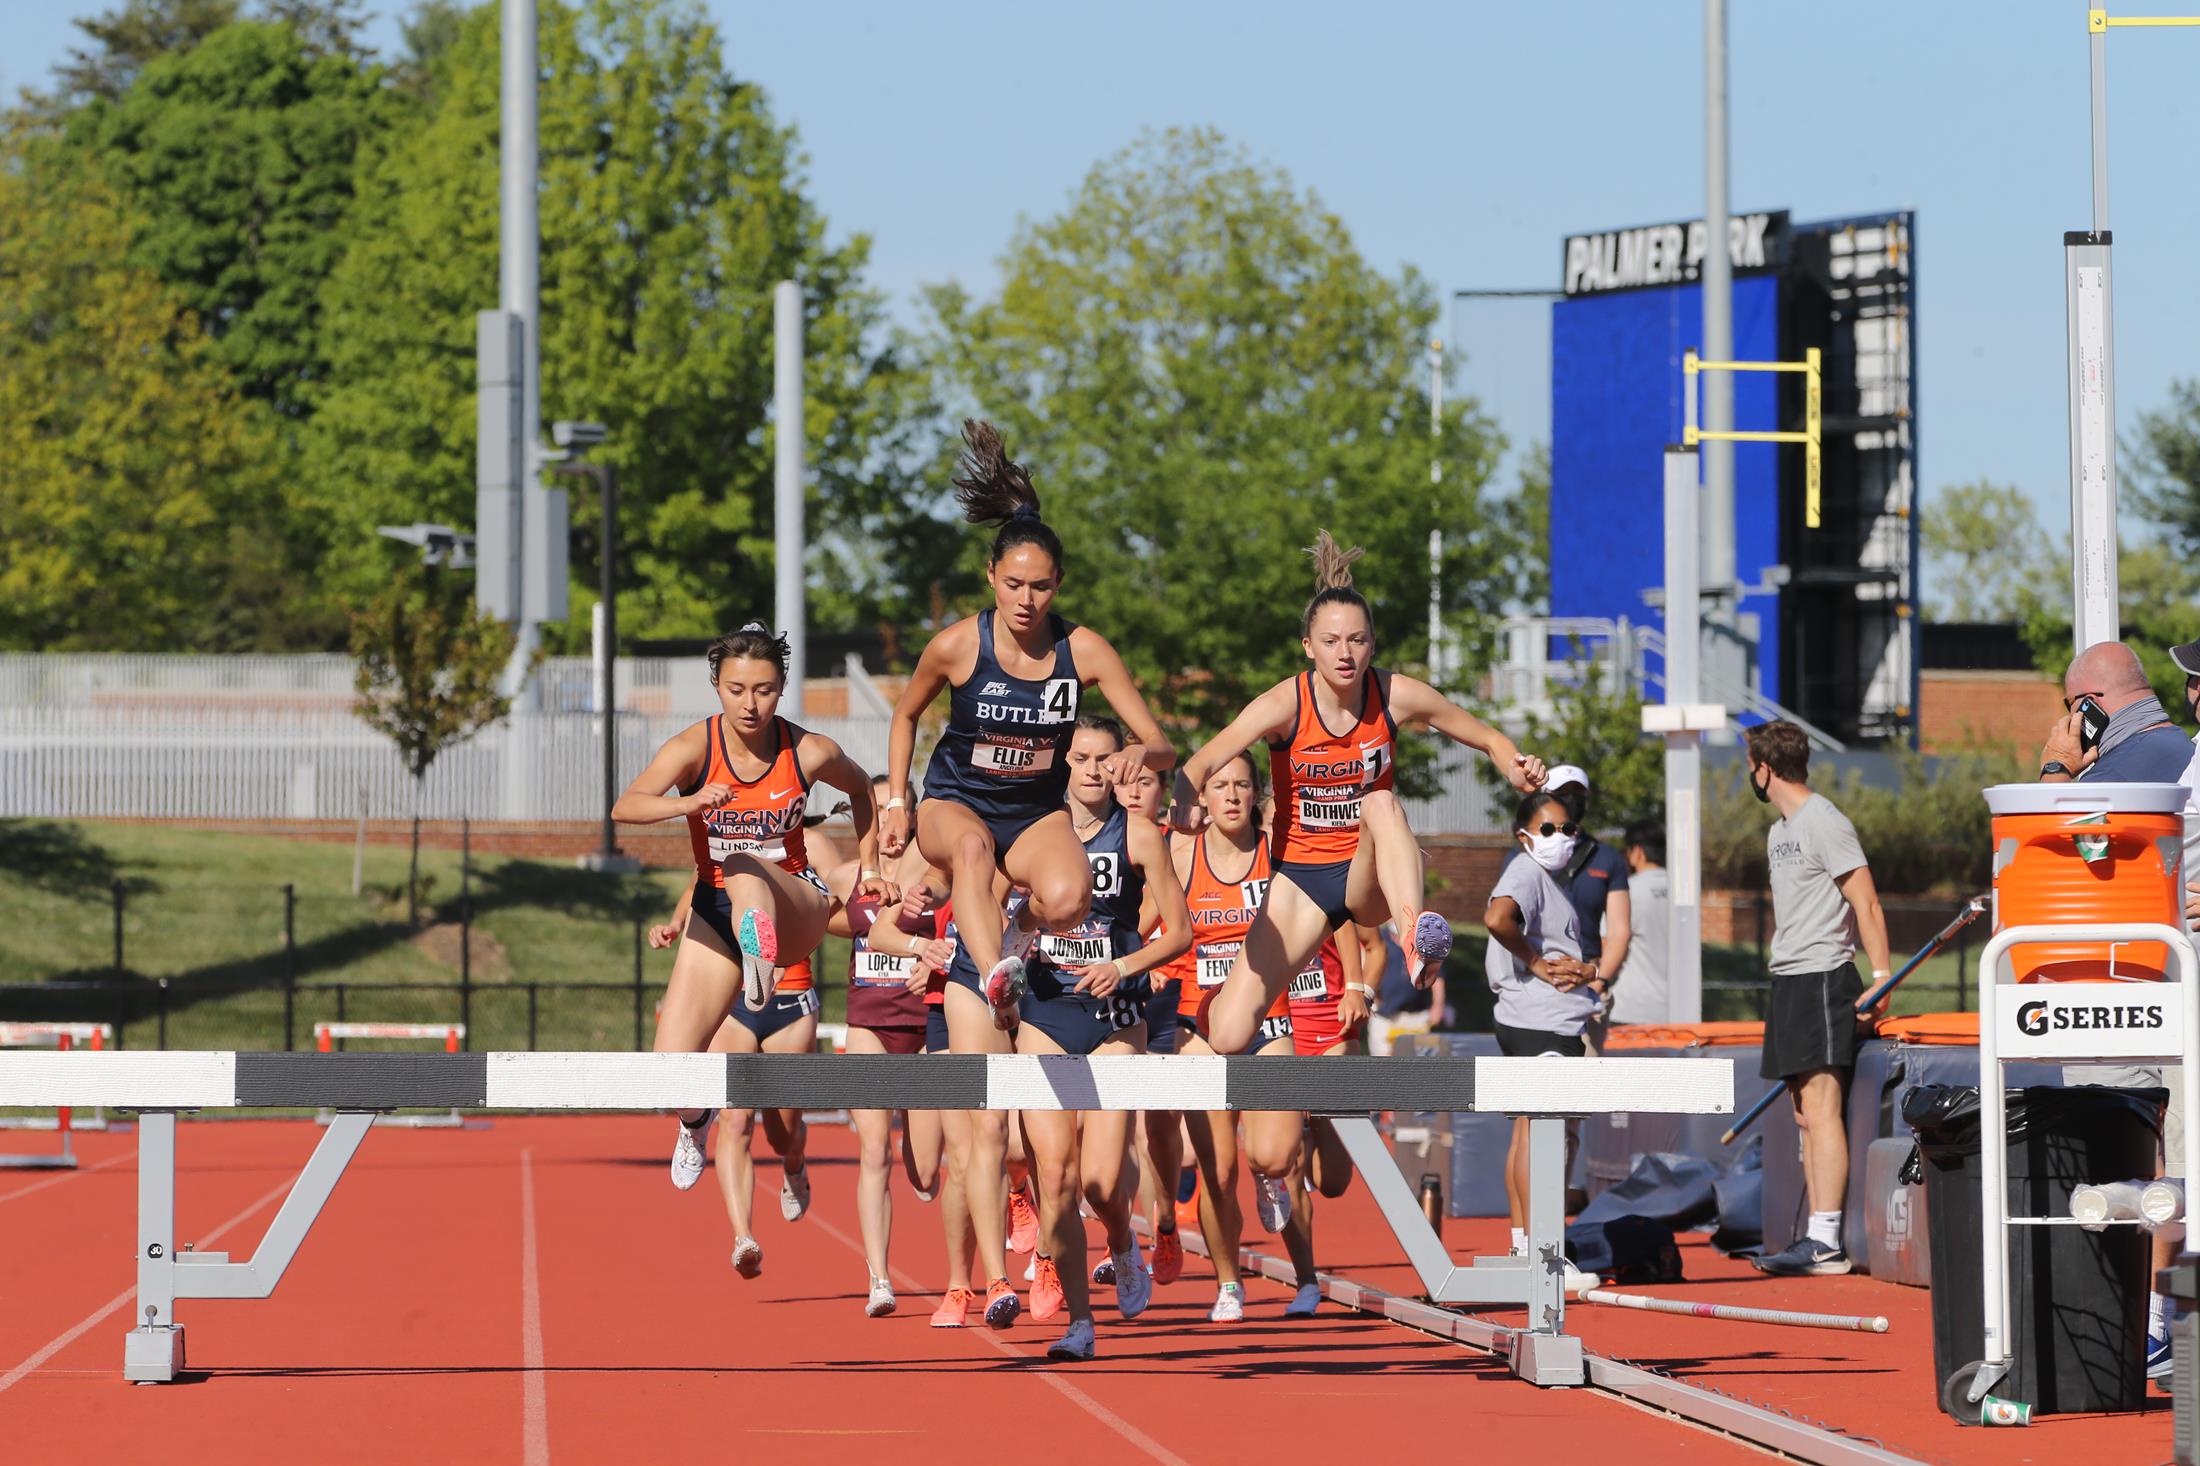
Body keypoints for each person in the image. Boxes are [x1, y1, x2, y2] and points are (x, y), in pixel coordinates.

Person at [880, 421, 1175, 1331]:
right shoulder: (956, 645)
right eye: (1014, 584)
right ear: (991, 582)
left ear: (1058, 590)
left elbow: (1155, 732)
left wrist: (1144, 763)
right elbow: (904, 717)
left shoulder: (1081, 652)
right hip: (954, 805)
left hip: (1033, 813)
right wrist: (894, 800)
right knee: (969, 855)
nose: (1027, 600)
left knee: (1071, 895)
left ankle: (1014, 940)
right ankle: (998, 965)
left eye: (1042, 587)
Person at [1178, 531, 1545, 1058]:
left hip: (1364, 871)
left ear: (1372, 644)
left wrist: (1514, 765)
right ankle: (1215, 1003)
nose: (1345, 653)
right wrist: (1185, 798)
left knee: (1380, 801)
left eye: (1356, 641)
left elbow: (1486, 736)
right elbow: (1203, 759)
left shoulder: (1395, 693)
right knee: (1230, 1036)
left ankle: (1415, 939)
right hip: (1299, 877)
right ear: (1309, 647)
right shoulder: (1287, 702)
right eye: (1330, 642)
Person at [612, 623, 887, 1208]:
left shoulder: (807, 750)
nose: (750, 703)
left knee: (743, 863)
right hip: (717, 915)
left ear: (781, 688)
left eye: (763, 689)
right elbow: (626, 806)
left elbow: (863, 790)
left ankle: (761, 958)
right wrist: (687, 801)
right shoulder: (694, 747)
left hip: (794, 903)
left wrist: (870, 869)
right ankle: (695, 1119)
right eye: (737, 689)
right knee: (670, 1068)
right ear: (717, 686)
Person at [1014, 716, 1190, 1361]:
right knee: (1054, 1176)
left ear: (1122, 765)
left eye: (1104, 759)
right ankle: (1080, 1325)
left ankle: (1121, 1241)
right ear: (1064, 760)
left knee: (1096, 1180)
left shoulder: (1139, 834)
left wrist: (1123, 965)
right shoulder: (1033, 835)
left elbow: (1179, 933)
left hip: (1117, 1018)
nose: (1092, 769)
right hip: (1045, 1011)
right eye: (1081, 756)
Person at [1172, 749, 1333, 1321]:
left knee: (1277, 1157)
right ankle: (1228, 1282)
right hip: (1199, 1029)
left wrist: (1355, 983)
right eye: (1220, 786)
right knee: (1217, 1172)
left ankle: (1307, 1277)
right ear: (1204, 798)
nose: (1233, 796)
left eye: (1243, 785)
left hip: (1270, 1022)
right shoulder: (1180, 854)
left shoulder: (1280, 854)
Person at [1743, 720, 1891, 1278]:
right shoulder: (1780, 831)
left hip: (1825, 977)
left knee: (1823, 1109)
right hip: (1788, 979)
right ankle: (1815, 1238)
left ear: (1766, 767)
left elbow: (1867, 903)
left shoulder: (1824, 821)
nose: (1749, 777)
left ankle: (1826, 1240)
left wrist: (1880, 977)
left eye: (1750, 766)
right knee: (1804, 1114)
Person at [1484, 787, 1601, 1282]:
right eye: (1548, 829)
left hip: (1533, 1018)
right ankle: (1545, 1257)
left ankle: (1524, 1246)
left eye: (1568, 828)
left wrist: (1584, 971)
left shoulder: (1548, 879)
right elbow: (1496, 919)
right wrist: (1536, 963)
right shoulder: (1527, 871)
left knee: (1527, 1132)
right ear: (1525, 835)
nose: (1560, 837)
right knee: (1545, 1135)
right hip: (1540, 1020)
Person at [839, 833, 956, 1318]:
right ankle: (879, 1279)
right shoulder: (851, 878)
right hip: (869, 1026)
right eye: (878, 832)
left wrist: (934, 958)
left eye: (897, 833)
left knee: (927, 1175)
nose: (888, 842)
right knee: (872, 1148)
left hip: (926, 1026)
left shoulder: (934, 880)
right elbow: (804, 911)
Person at [2037, 639, 2191, 785]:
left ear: (2090, 704)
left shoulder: (2109, 780)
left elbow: (2055, 812)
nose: (2070, 716)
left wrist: (2056, 768)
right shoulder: (2191, 749)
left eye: (2069, 703)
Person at [1608, 821, 1670, 1026]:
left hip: (1630, 1009)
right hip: (1678, 1008)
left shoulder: (1625, 891)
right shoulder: (1684, 891)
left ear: (1637, 852)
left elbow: (1607, 944)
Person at [1364, 919, 1436, 1057]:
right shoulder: (1379, 938)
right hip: (1385, 1015)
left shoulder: (1423, 938)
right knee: (1385, 1063)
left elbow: (1436, 974)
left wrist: (1438, 1004)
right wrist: (1371, 992)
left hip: (1415, 1015)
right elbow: (1366, 964)